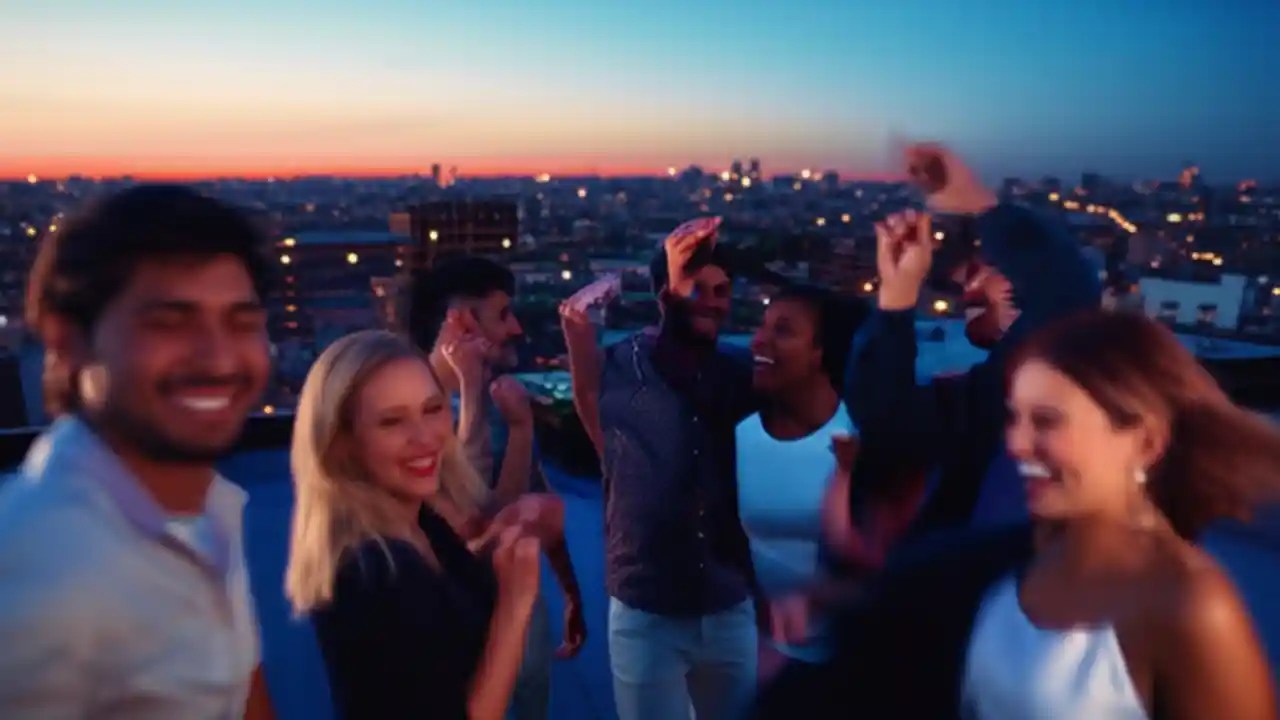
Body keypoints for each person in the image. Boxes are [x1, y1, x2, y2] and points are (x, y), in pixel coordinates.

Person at [757, 310, 1280, 719]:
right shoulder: (1007, 559)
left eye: (1046, 422)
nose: (1017, 444)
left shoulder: (1190, 605)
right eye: (1015, 418)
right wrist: (833, 602)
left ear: (1144, 441)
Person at [0, 185, 275, 718]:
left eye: (240, 322)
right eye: (169, 322)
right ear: (68, 340)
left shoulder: (212, 509)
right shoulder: (40, 569)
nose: (218, 358)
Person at [285, 330, 564, 719]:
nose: (425, 437)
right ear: (342, 442)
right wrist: (516, 602)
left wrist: (503, 540)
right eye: (392, 421)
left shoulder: (420, 522)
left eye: (433, 409)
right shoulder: (377, 568)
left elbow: (446, 604)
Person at [846, 143, 1101, 535]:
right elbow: (885, 417)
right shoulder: (986, 399)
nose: (972, 293)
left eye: (987, 275)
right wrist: (898, 292)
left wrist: (979, 206)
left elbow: (1066, 296)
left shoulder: (1038, 380)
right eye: (966, 284)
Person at [561, 216, 759, 720]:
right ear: (663, 294)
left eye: (721, 291)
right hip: (646, 610)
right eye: (698, 288)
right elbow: (663, 368)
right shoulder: (622, 366)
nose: (712, 301)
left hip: (727, 603)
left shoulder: (739, 373)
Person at [405, 257, 585, 720]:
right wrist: (516, 426)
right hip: (454, 622)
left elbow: (532, 498)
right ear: (463, 322)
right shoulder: (409, 411)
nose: (517, 328)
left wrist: (570, 589)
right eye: (502, 314)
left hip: (523, 610)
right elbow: (475, 521)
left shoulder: (499, 396)